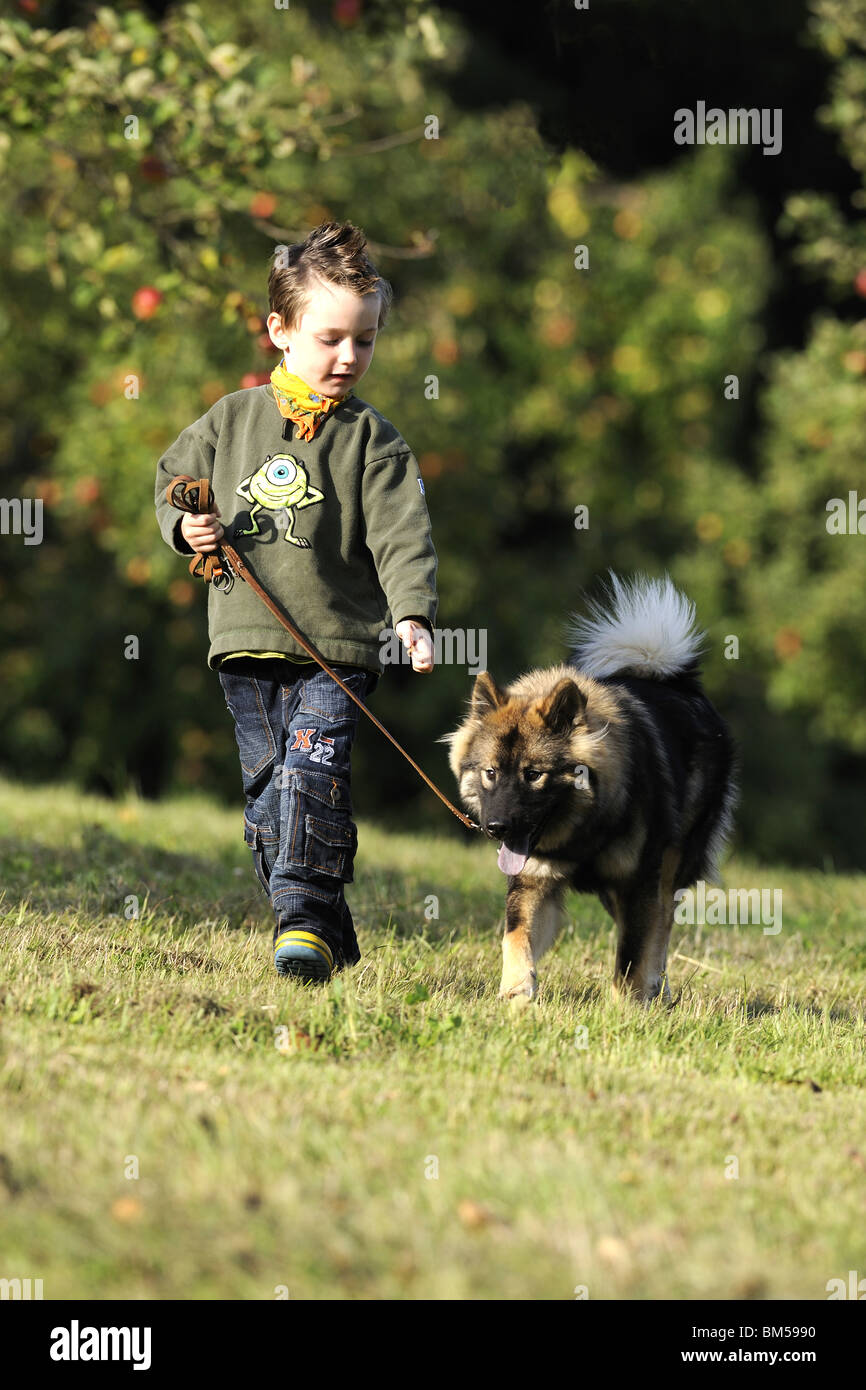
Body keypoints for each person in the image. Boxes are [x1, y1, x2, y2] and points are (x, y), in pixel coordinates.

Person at [154, 221, 437, 983]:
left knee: (315, 771)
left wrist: (410, 613)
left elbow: (402, 536)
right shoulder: (231, 419)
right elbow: (173, 479)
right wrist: (188, 524)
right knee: (268, 795)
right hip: (243, 641)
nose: (349, 358)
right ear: (279, 331)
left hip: (337, 652)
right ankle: (327, 929)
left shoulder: (374, 443)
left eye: (366, 341)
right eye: (332, 338)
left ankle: (304, 920)